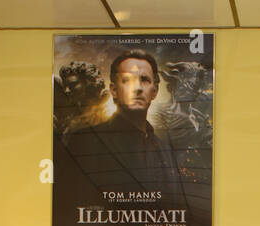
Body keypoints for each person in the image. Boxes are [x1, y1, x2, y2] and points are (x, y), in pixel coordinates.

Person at [62, 50, 186, 205]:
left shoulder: (166, 150)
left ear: (154, 92)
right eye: (127, 80)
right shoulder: (85, 141)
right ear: (114, 90)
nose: (138, 88)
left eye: (145, 80)